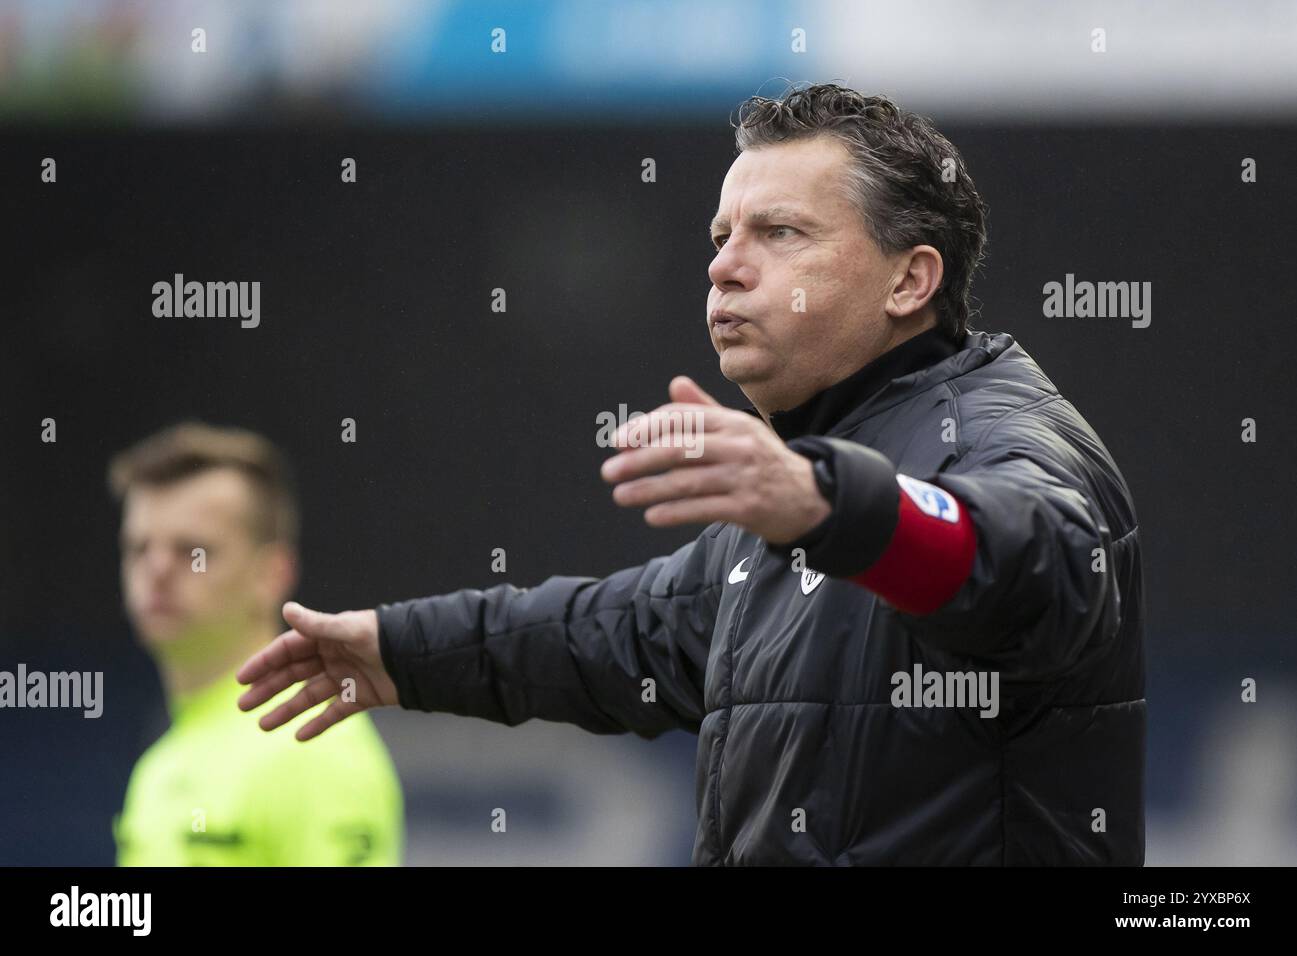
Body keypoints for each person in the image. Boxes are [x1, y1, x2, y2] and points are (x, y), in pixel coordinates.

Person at [238, 84, 1144, 865]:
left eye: (779, 233)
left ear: (909, 281)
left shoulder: (998, 434)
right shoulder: (794, 491)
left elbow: (1029, 561)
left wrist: (826, 503)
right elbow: (611, 635)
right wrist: (403, 651)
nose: (723, 266)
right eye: (721, 236)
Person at [110, 423, 403, 865]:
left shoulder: (313, 741)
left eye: (192, 550)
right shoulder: (159, 767)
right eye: (138, 549)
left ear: (272, 574)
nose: (156, 569)